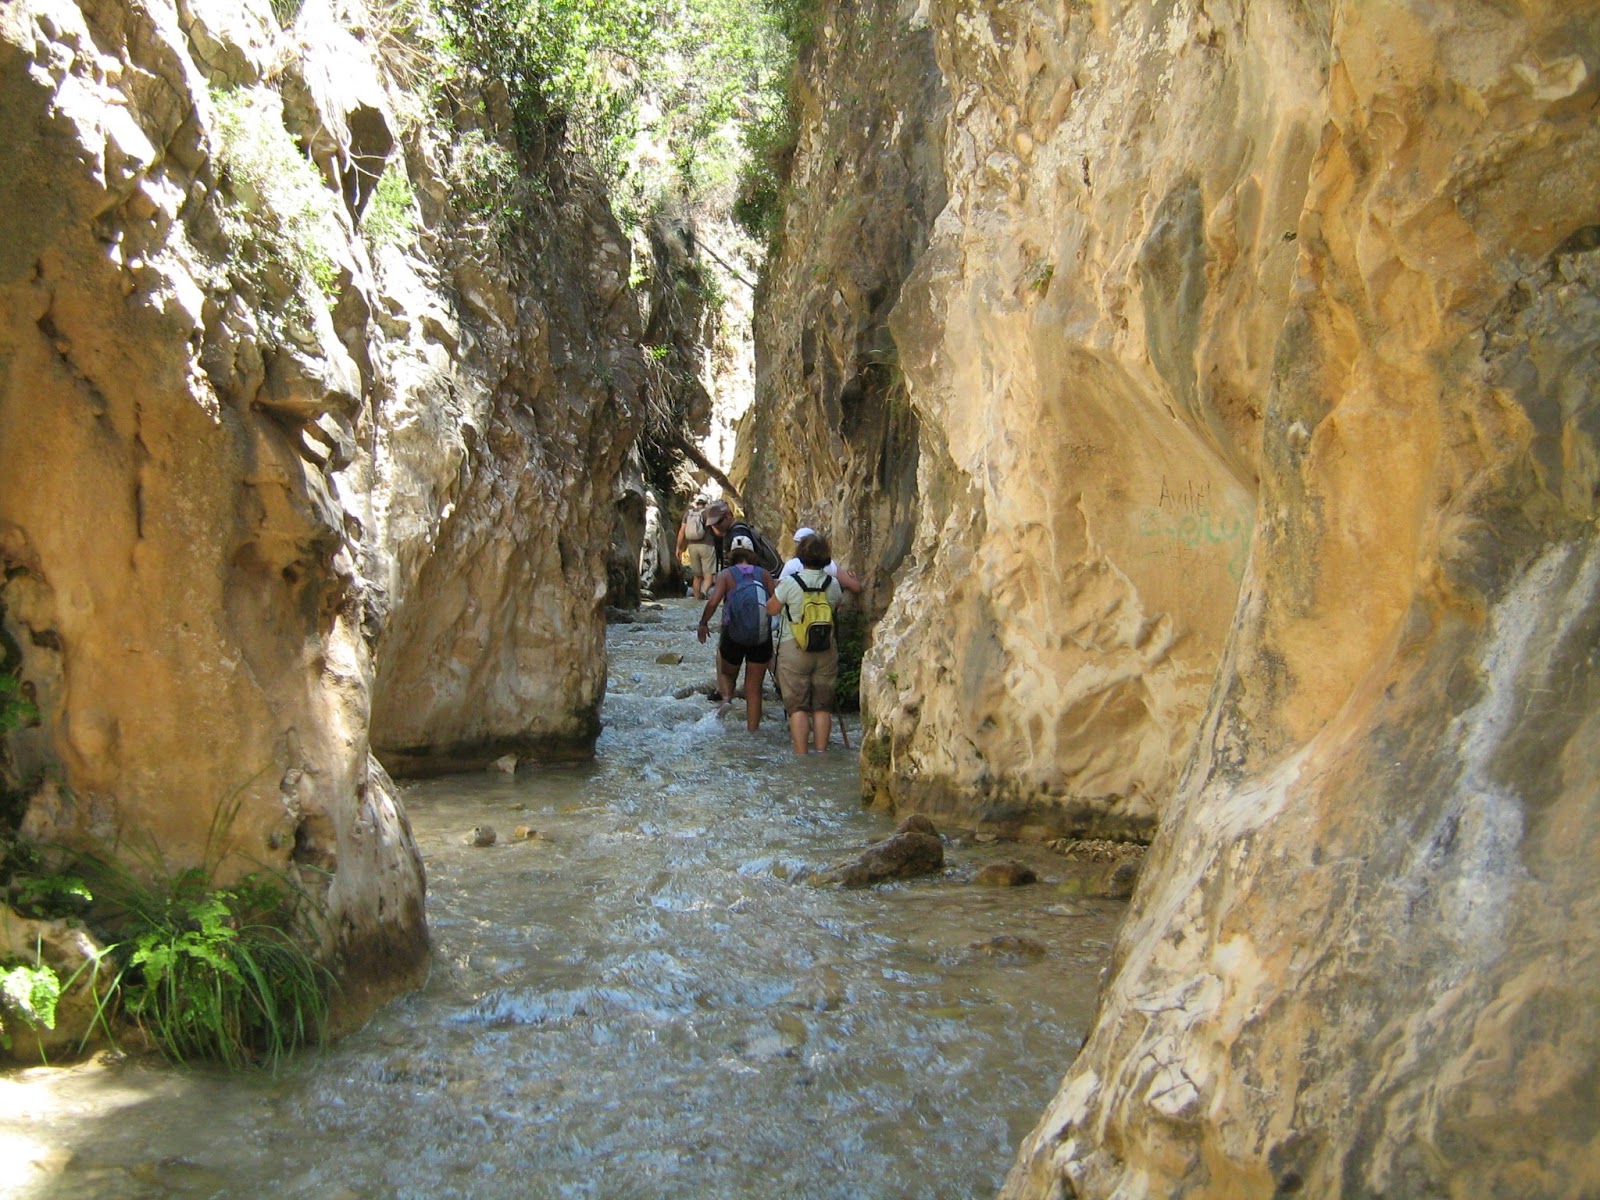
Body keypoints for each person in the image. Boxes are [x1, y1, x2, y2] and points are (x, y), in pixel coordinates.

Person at [696, 534, 779, 733]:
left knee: (727, 674)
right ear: (753, 554)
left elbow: (714, 601)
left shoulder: (726, 574)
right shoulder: (764, 574)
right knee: (754, 688)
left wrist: (703, 623)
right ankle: (752, 733)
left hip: (732, 635)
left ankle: (726, 700)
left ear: (732, 554)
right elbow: (776, 603)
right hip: (761, 636)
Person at [772, 533, 845, 755]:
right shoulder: (832, 583)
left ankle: (802, 756)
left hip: (794, 648)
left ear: (800, 556)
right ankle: (821, 753)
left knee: (798, 708)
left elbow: (771, 609)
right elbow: (837, 605)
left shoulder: (790, 583)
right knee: (822, 707)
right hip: (825, 649)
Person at [777, 525, 863, 594]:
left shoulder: (791, 565)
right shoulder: (830, 565)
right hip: (824, 614)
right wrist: (853, 581)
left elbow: (779, 590)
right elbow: (856, 588)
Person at [676, 495, 715, 600]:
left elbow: (682, 531)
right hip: (707, 545)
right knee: (708, 575)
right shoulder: (707, 513)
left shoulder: (688, 513)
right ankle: (703, 592)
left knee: (697, 576)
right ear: (706, 503)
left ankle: (696, 600)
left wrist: (678, 548)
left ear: (696, 503)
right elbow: (715, 529)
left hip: (692, 546)